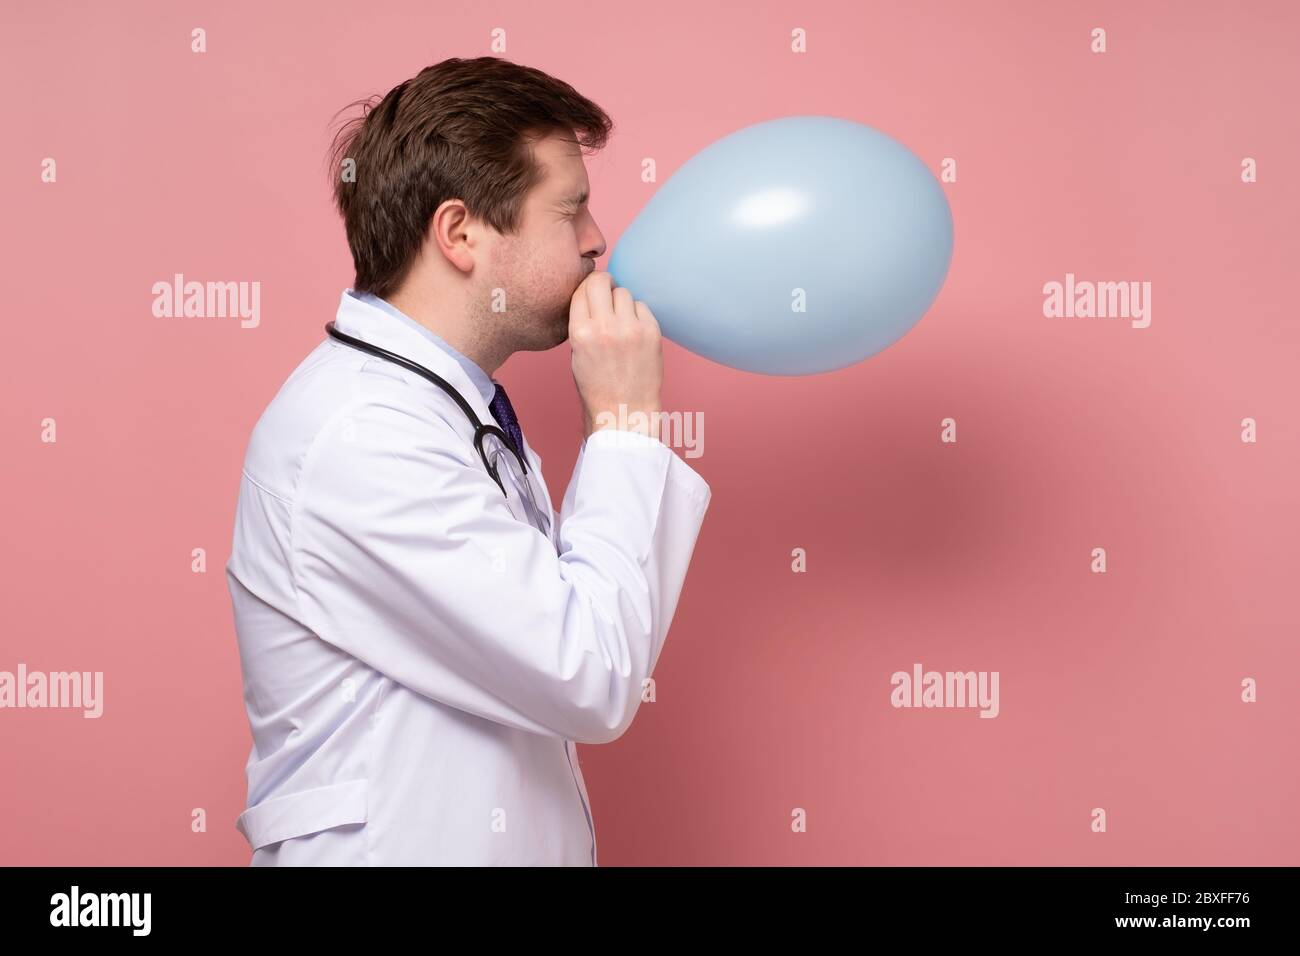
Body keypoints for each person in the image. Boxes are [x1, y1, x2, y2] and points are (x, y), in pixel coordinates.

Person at [225, 56, 711, 866]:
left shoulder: (442, 411)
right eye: (571, 211)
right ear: (459, 234)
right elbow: (589, 673)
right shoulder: (361, 434)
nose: (597, 242)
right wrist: (624, 424)